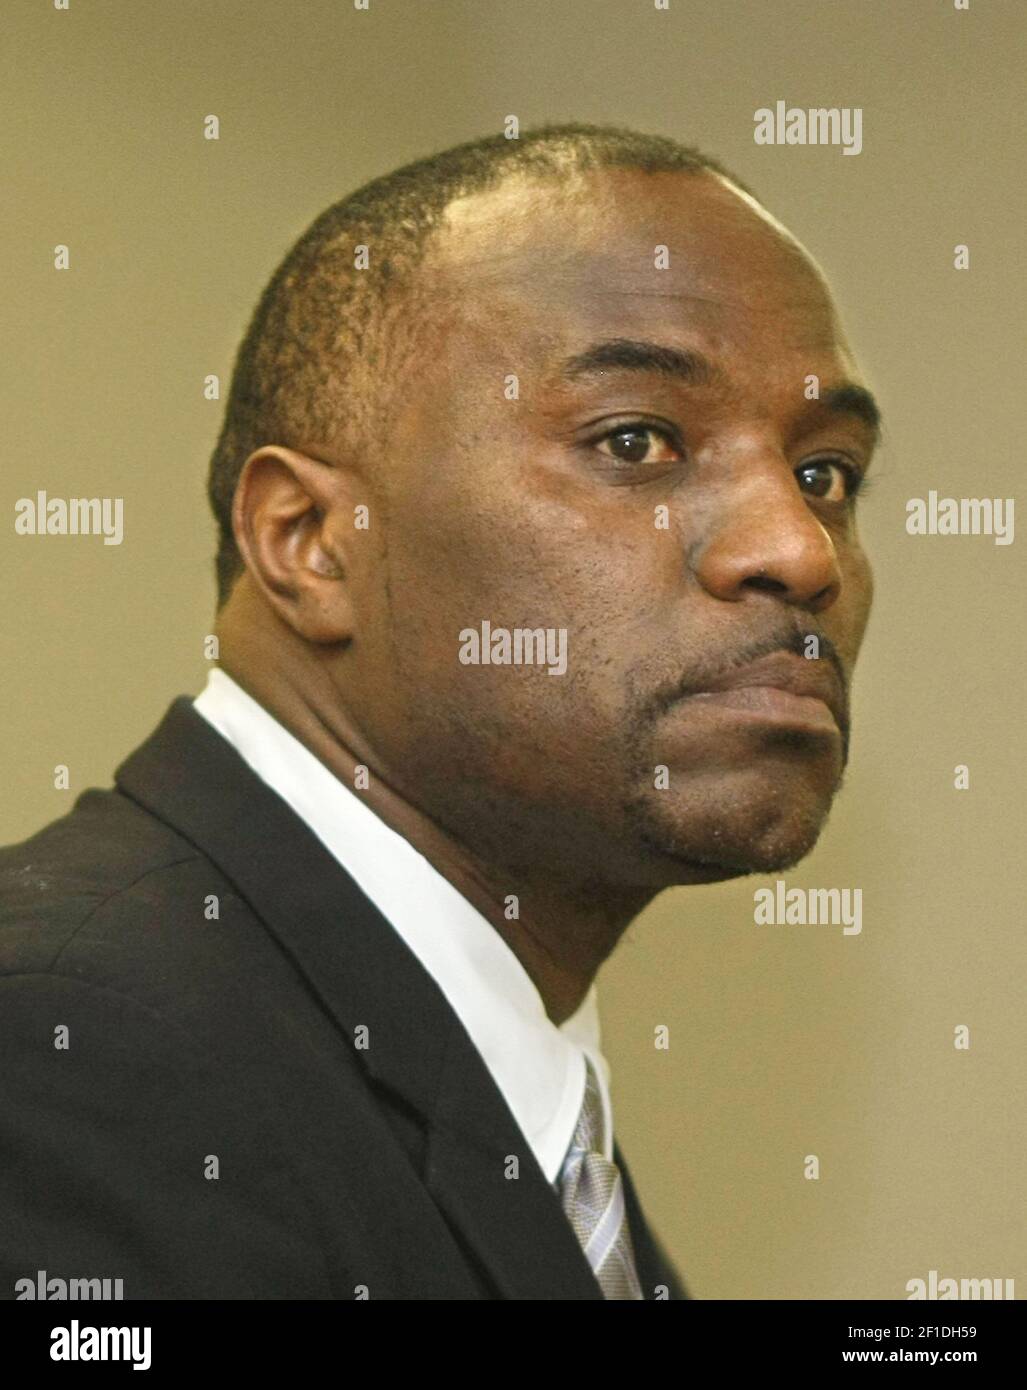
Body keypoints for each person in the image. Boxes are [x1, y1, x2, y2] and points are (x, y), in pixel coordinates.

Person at [0, 122, 878, 1300]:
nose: (797, 548)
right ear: (312, 545)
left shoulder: (508, 1092)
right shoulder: (63, 1048)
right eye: (636, 441)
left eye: (826, 473)